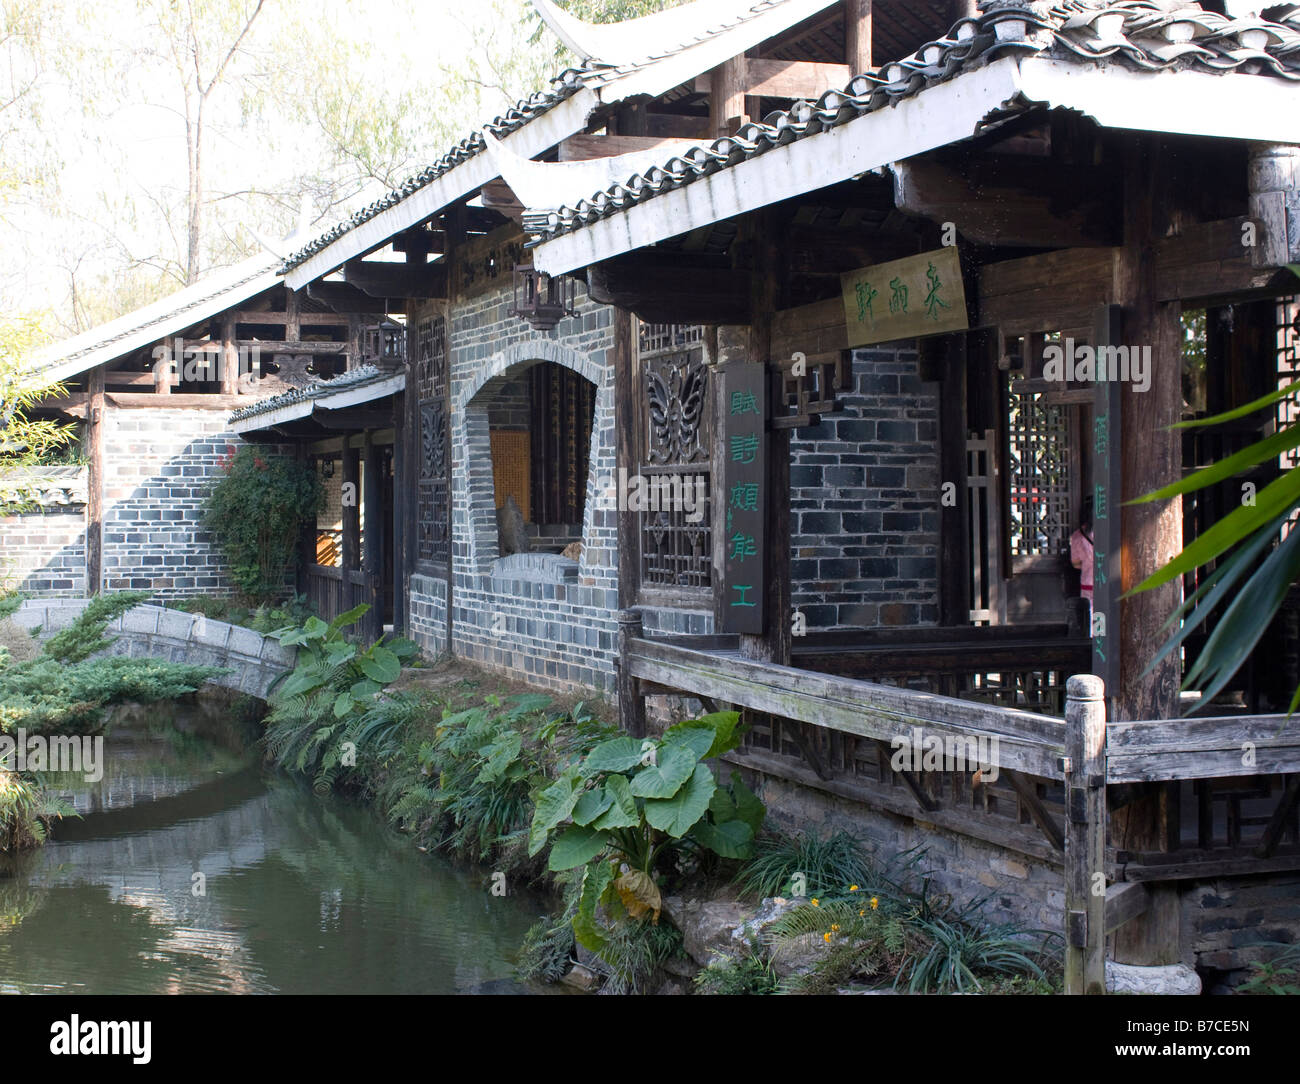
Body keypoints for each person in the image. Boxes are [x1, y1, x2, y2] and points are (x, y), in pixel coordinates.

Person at [1070, 498, 1094, 615]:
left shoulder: (1077, 535)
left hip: (1087, 583)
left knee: (1089, 614)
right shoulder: (1108, 532)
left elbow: (1076, 564)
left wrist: (1087, 563)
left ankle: (1092, 633)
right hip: (1106, 581)